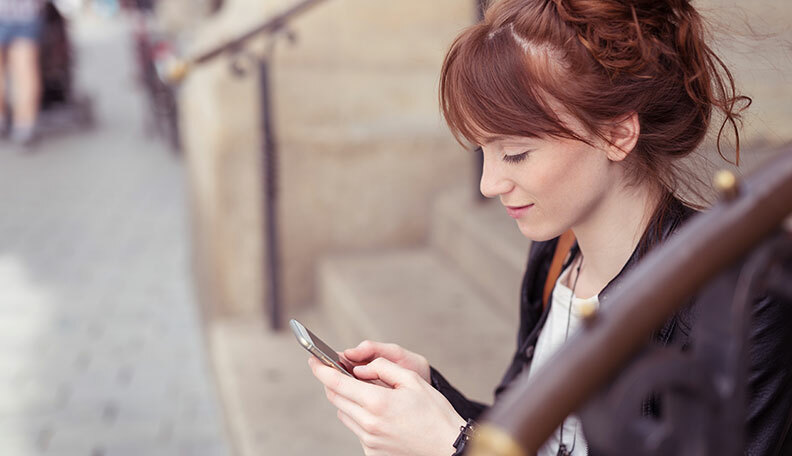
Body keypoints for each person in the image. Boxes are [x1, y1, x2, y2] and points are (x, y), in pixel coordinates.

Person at [308, 0, 792, 455]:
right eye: (484, 152)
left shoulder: (743, 299)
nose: (489, 183)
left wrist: (450, 442)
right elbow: (543, 434)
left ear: (616, 133)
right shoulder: (556, 256)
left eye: (515, 153)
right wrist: (434, 395)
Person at [0, 0, 43, 146]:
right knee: (24, 70)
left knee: (22, 70)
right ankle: (24, 126)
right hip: (25, 12)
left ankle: (17, 123)